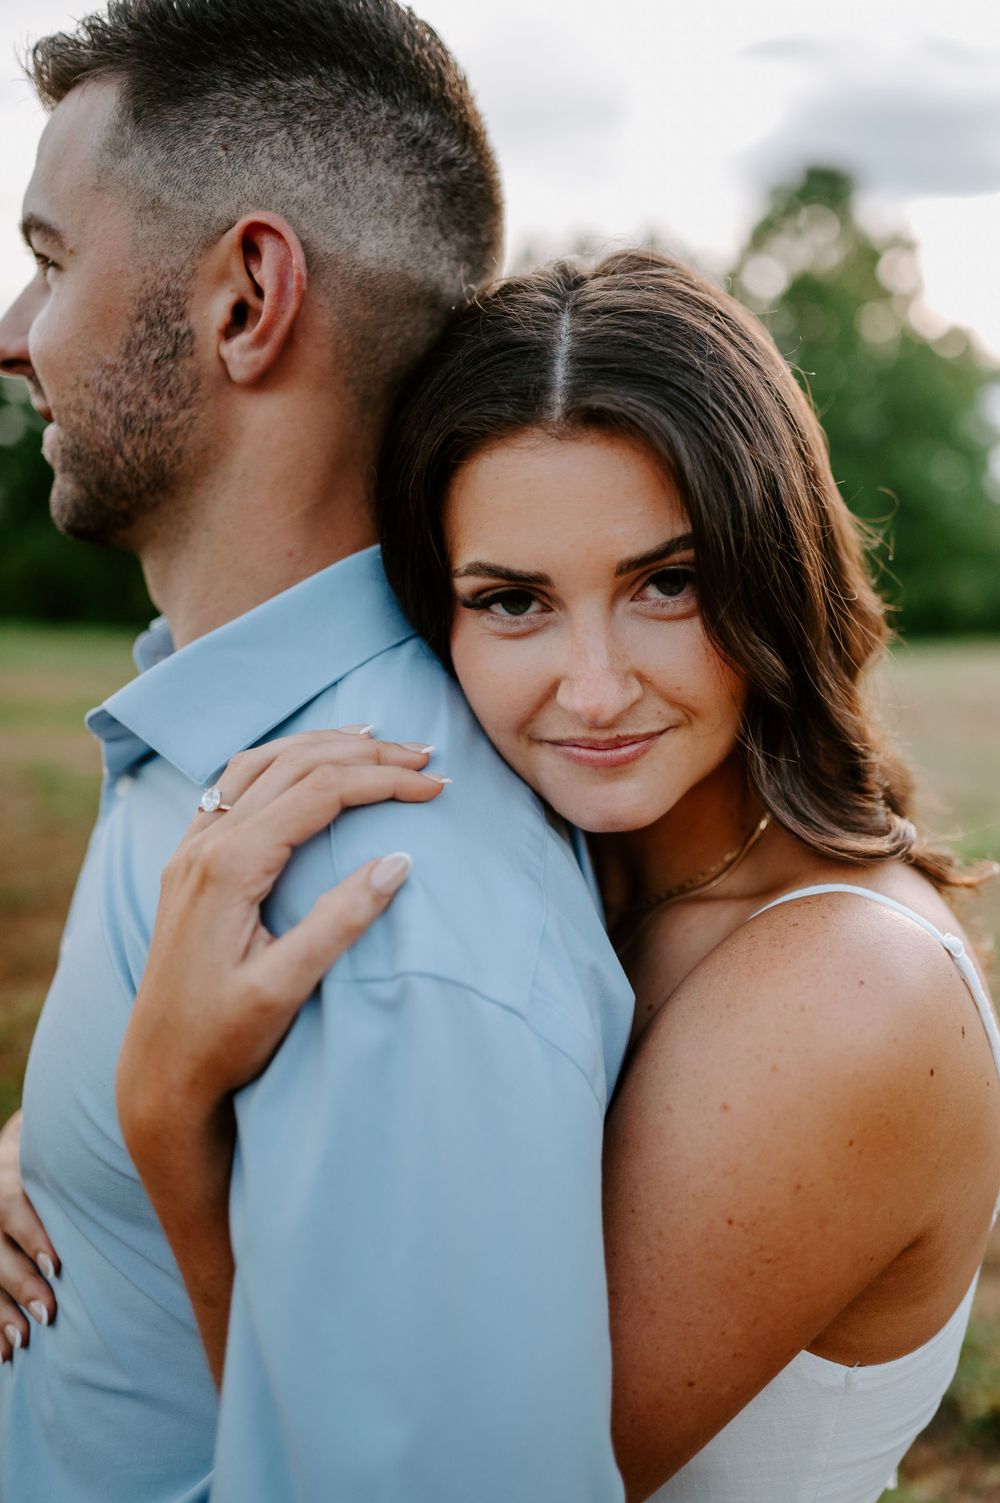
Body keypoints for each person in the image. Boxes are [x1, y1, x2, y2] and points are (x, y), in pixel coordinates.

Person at [58, 251, 1000, 1502]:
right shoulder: (577, 868)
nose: (595, 687)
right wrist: (55, 1154)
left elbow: (403, 1475)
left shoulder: (843, 993)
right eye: (512, 602)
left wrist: (166, 1124)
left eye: (667, 583)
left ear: (773, 567)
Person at [0, 4, 636, 1501]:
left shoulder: (381, 898)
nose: (15, 334)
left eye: (49, 259)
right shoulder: (222, 736)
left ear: (247, 298)